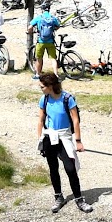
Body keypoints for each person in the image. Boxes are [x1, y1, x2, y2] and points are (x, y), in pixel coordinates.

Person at [36, 72, 91, 213]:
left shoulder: (68, 98)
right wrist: (40, 139)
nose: (40, 88)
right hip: (49, 137)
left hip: (64, 137)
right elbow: (40, 120)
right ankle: (58, 197)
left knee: (70, 169)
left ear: (51, 86)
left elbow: (75, 120)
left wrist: (78, 141)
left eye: (42, 86)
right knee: (53, 168)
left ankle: (79, 199)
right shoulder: (44, 99)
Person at [29, 6, 62, 76]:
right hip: (51, 41)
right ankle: (56, 74)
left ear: (42, 10)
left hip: (41, 41)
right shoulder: (53, 18)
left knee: (39, 58)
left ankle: (37, 74)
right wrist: (54, 29)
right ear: (49, 9)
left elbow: (30, 27)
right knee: (53, 58)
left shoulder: (39, 17)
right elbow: (58, 26)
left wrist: (29, 32)